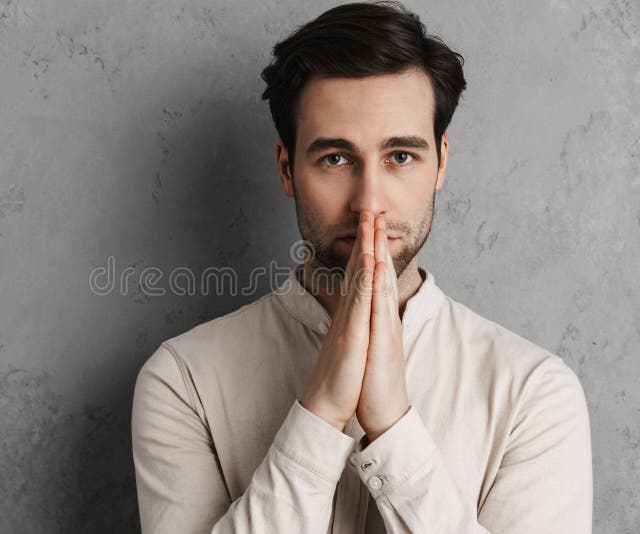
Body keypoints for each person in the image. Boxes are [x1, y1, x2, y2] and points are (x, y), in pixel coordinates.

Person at [130, 2, 593, 532]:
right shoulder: (183, 382)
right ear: (287, 168)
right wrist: (320, 413)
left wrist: (394, 428)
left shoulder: (534, 393)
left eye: (400, 156)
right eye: (336, 159)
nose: (368, 202)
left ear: (441, 162)